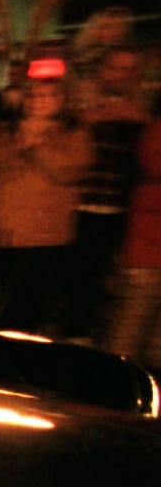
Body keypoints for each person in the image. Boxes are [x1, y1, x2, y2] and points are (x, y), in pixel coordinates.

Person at [0, 77, 92, 333]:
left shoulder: (74, 132)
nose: (39, 102)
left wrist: (37, 145)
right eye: (33, 96)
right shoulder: (3, 129)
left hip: (42, 234)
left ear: (62, 100)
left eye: (48, 95)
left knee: (26, 303)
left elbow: (66, 172)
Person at [64, 45, 148, 342]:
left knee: (105, 282)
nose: (122, 75)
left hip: (120, 207)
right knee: (71, 280)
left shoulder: (143, 109)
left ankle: (91, 341)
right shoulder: (83, 101)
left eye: (129, 69)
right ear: (103, 70)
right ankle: (73, 340)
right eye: (116, 67)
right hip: (79, 203)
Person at [102, 116, 161, 366]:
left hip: (149, 251)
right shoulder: (155, 134)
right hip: (147, 255)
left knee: (155, 344)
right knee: (127, 333)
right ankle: (112, 392)